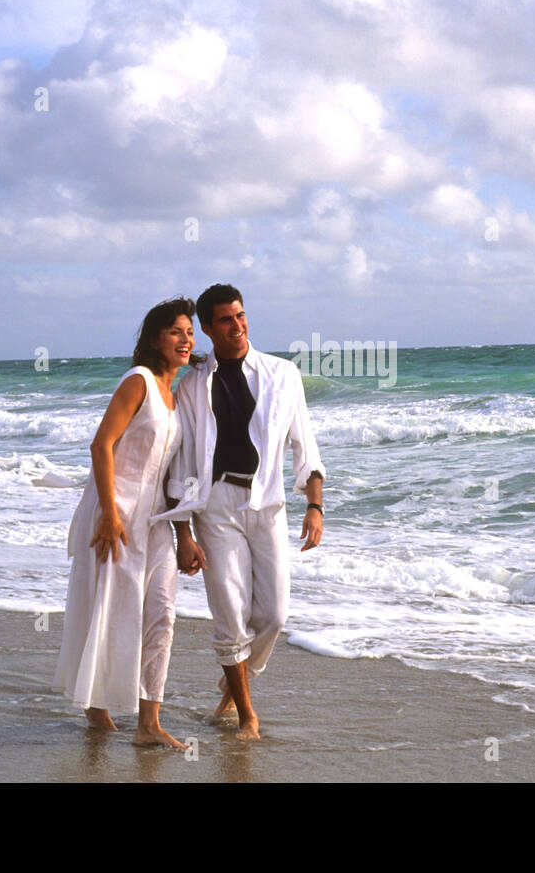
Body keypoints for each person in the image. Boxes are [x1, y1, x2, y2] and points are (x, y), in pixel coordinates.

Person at [155, 283, 325, 740]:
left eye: (241, 315)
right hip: (215, 507)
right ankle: (246, 715)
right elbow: (182, 461)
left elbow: (305, 446)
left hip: (267, 504)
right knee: (230, 614)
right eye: (226, 320)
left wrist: (315, 506)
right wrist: (183, 533)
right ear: (208, 329)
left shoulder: (282, 374)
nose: (238, 325)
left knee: (273, 616)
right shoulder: (192, 385)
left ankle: (235, 680)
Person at [53, 297, 202, 747]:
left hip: (156, 519)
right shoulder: (138, 381)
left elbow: (175, 471)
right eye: (177, 331)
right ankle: (96, 707)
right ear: (156, 338)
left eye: (190, 333)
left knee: (163, 615)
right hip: (115, 514)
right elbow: (102, 445)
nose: (186, 339)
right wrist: (110, 514)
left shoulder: (177, 393)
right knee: (109, 610)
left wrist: (185, 532)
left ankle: (148, 724)